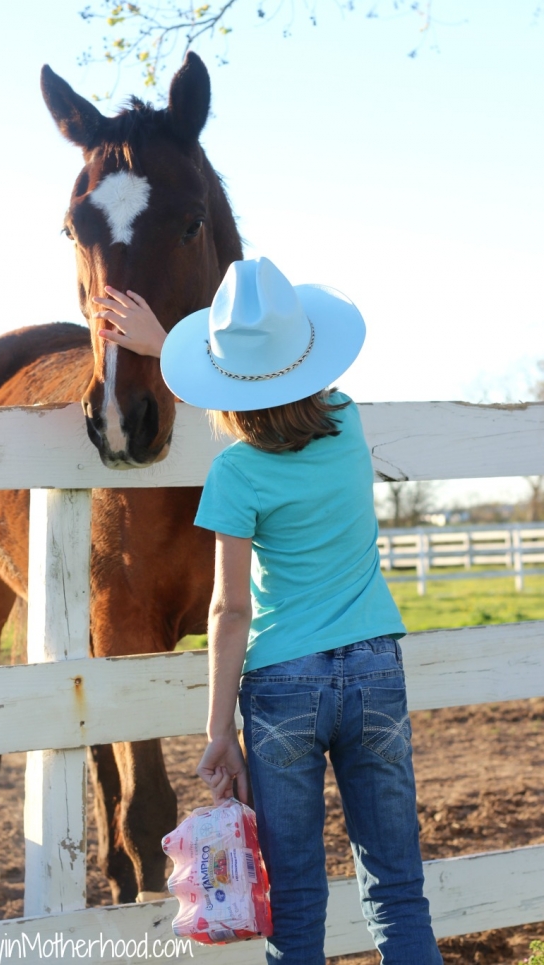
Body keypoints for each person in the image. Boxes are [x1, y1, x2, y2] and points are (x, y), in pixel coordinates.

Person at [93, 258, 443, 965]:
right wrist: (184, 347)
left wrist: (218, 727)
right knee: (399, 890)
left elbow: (229, 610)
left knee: (296, 900)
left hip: (284, 685)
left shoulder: (236, 470)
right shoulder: (346, 423)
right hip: (375, 665)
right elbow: (286, 377)